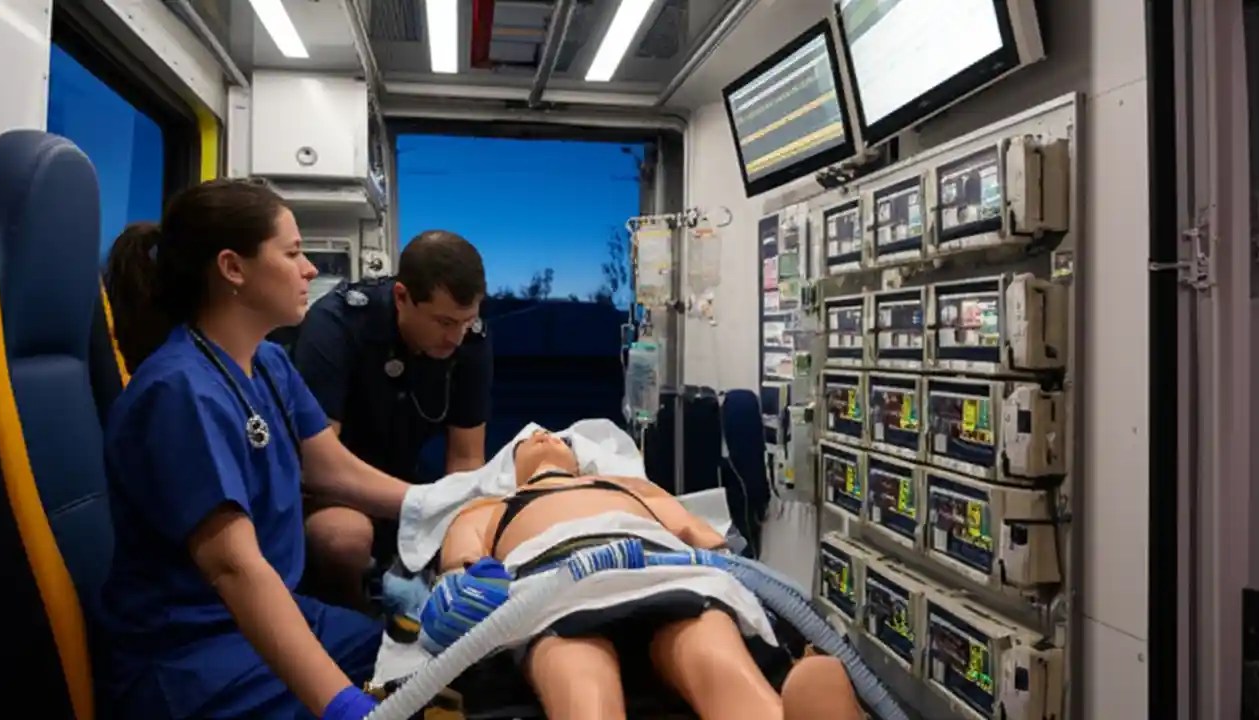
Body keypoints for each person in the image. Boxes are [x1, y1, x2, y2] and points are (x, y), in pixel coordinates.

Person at [99, 179, 414, 720]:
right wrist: (341, 705)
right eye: (292, 253)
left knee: (423, 653)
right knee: (402, 686)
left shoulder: (268, 362)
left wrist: (454, 502)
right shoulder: (178, 392)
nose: (310, 268)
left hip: (275, 613)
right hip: (194, 657)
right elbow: (235, 570)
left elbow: (333, 470)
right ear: (233, 268)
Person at [416, 430, 864, 720]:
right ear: (504, 472)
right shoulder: (488, 506)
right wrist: (462, 595)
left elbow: (703, 538)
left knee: (718, 662)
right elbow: (460, 572)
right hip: (555, 587)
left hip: (667, 572)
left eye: (559, 437)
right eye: (528, 440)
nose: (542, 434)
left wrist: (726, 569)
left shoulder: (634, 488)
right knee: (582, 685)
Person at [290, 230, 492, 609]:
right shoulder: (337, 324)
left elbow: (466, 459)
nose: (457, 338)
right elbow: (319, 469)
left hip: (406, 488)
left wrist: (460, 528)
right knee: (342, 539)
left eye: (466, 322)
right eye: (444, 322)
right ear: (401, 297)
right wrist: (423, 505)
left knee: (474, 541)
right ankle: (355, 627)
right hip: (331, 491)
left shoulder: (470, 338)